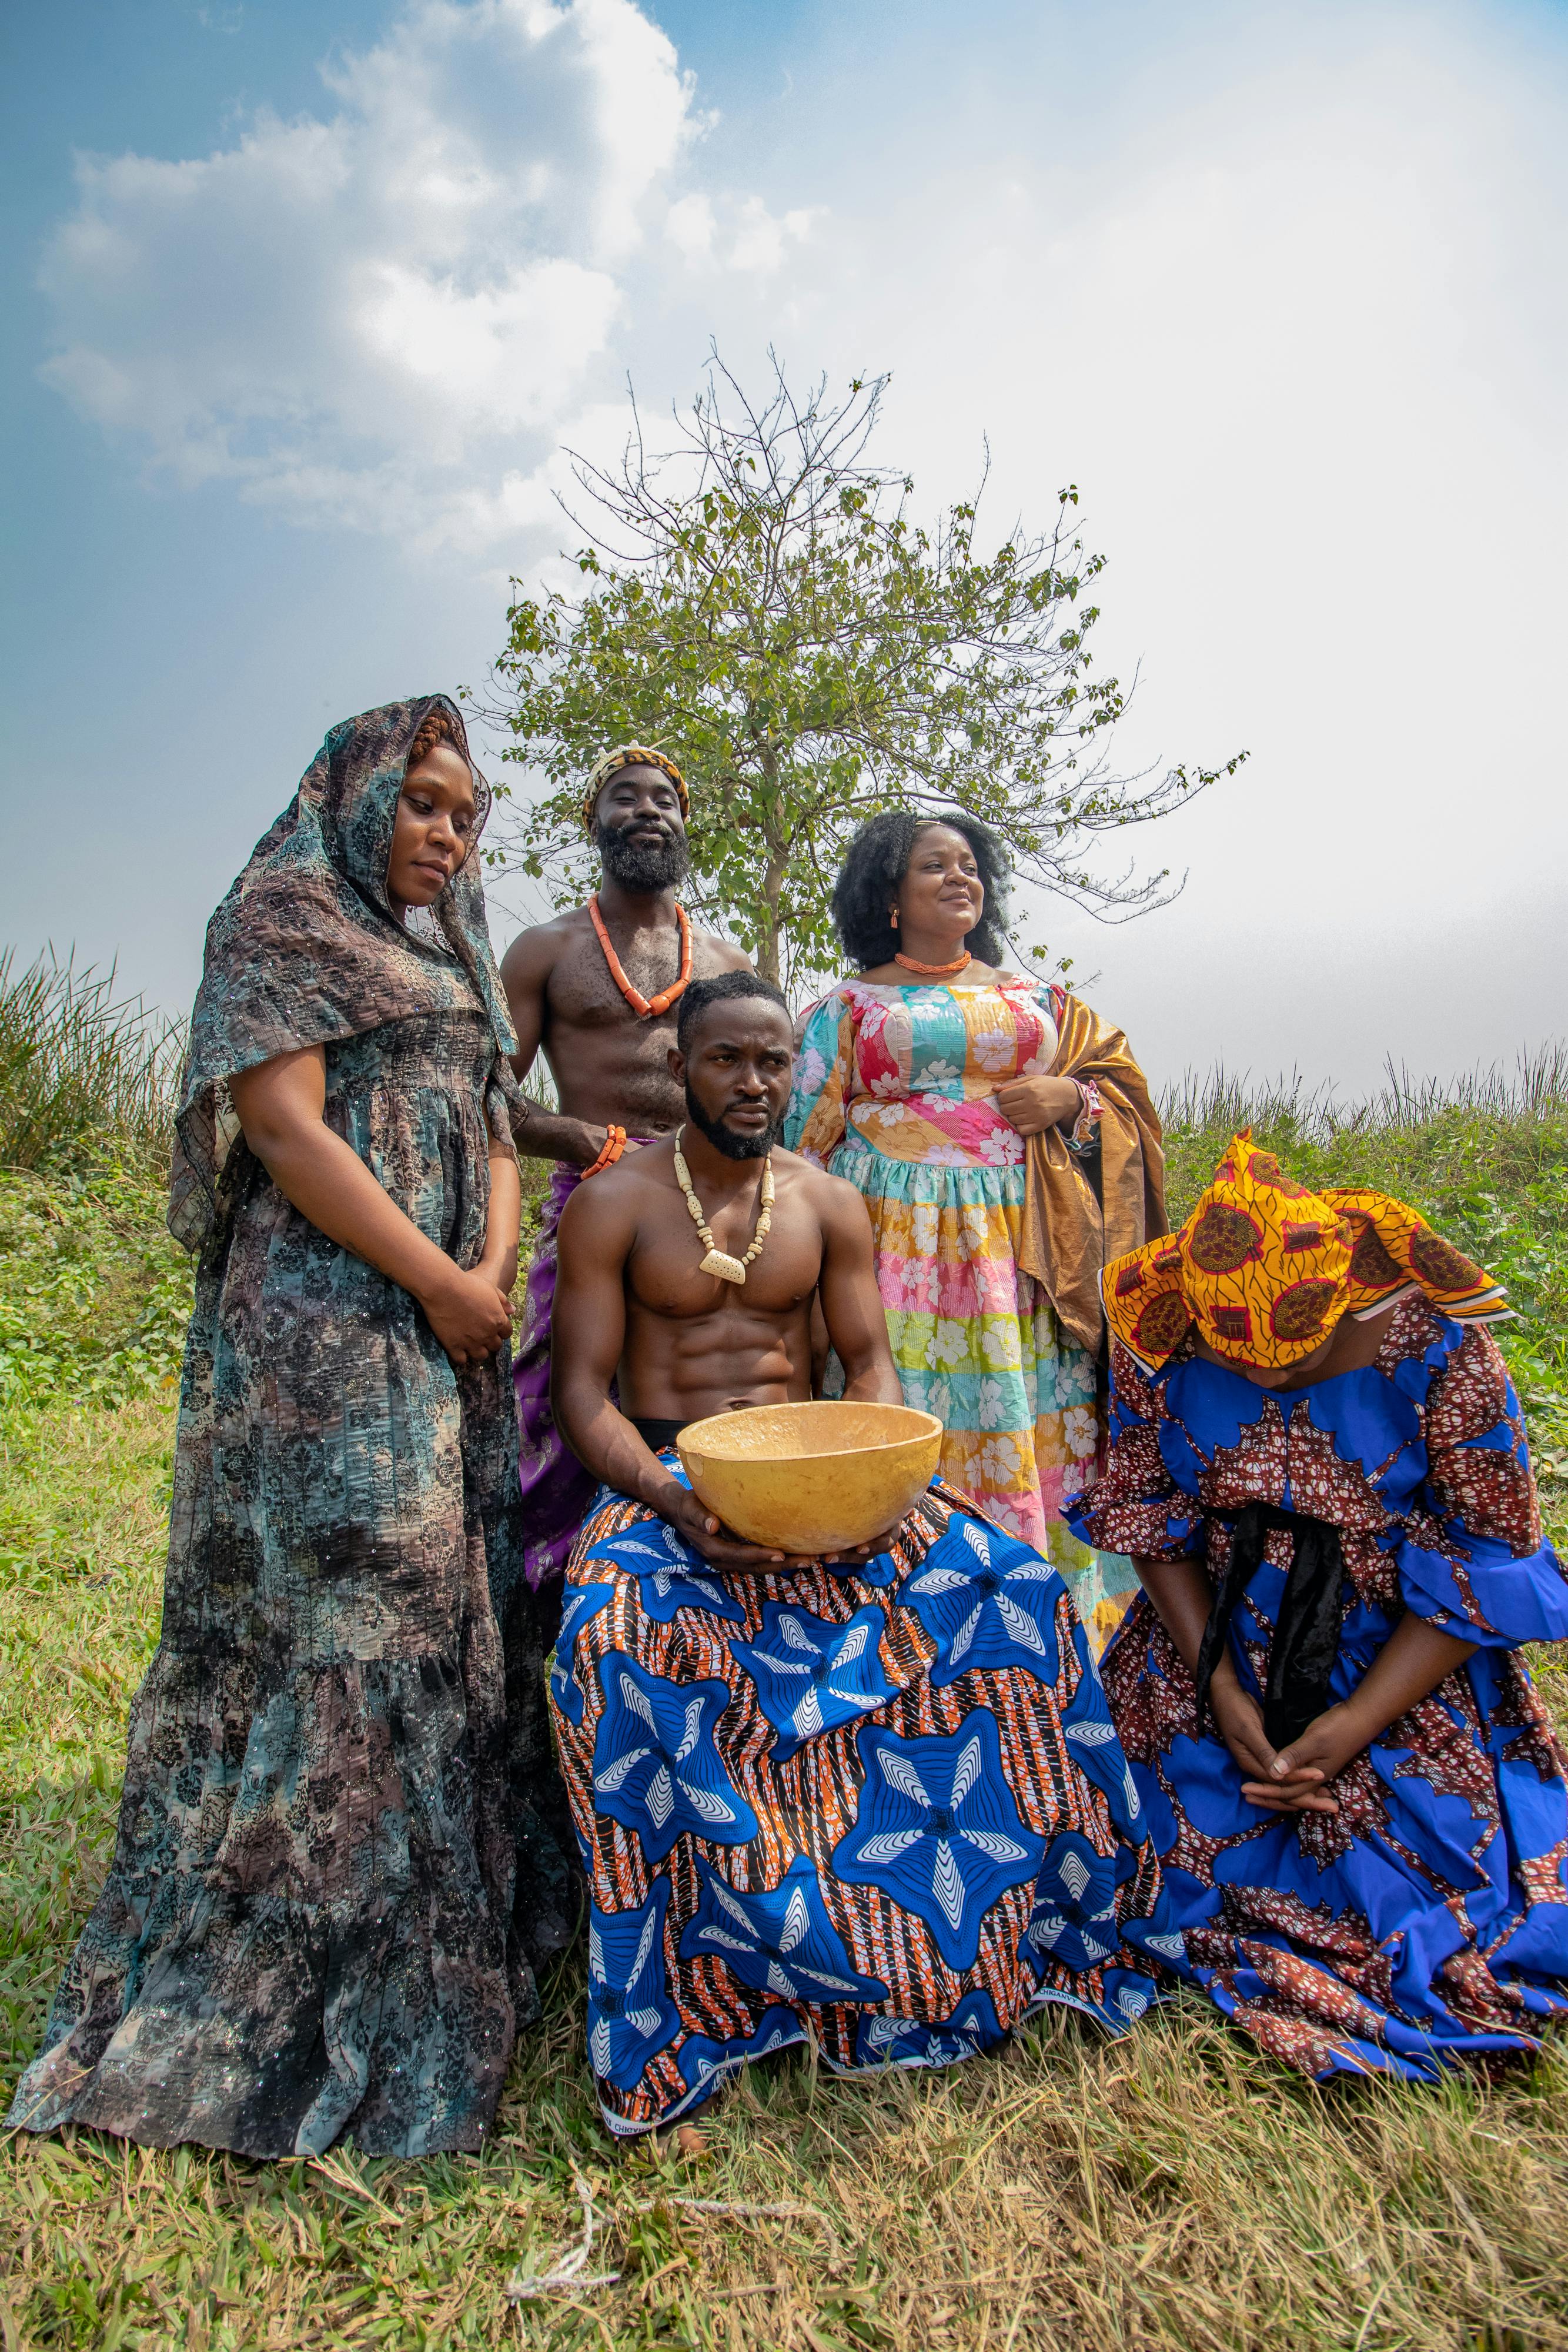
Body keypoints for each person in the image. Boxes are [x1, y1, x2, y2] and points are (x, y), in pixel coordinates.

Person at [7, 696, 566, 2159]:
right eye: (425, 802)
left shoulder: (447, 946)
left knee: (443, 1595)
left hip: (449, 1313)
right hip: (326, 1320)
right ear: (360, 789)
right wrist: (439, 1276)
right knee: (358, 1596)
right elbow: (284, 1126)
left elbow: (499, 1121)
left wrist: (488, 1268)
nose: (447, 832)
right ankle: (302, 1962)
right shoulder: (279, 912)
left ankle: (432, 1943)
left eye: (466, 811)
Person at [546, 971, 1175, 2142]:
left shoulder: (828, 1199)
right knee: (611, 1638)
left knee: (1010, 1590)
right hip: (673, 1482)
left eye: (773, 1061)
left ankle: (1010, 1924)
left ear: (797, 1069)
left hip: (829, 1473)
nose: (753, 1081)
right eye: (727, 1058)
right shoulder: (615, 1203)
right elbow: (585, 1398)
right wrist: (670, 1502)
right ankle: (708, 1965)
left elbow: (867, 1360)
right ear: (680, 1066)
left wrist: (871, 1470)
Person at [1067, 1128, 1568, 2082]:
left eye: (1294, 1365)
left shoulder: (1438, 1343)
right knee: (1122, 1857)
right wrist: (1217, 1686)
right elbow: (1151, 1520)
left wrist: (1351, 1725)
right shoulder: (1157, 1327)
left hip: (1401, 1646)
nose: (1261, 1381)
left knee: (1429, 1882)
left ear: (1353, 1303)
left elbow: (1486, 1559)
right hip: (1211, 1629)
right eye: (1236, 1363)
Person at [785, 811, 1165, 1655]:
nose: (960, 878)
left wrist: (1075, 1102)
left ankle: (1048, 1633)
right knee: (910, 1415)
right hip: (894, 1248)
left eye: (969, 865)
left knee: (1030, 1414)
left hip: (1030, 1248)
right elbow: (798, 1142)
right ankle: (905, 1635)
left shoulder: (1041, 1002)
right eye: (933, 866)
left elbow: (1125, 1095)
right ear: (888, 895)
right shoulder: (847, 1009)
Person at [499, 747, 751, 1594]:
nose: (648, 811)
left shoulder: (723, 960)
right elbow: (480, 1096)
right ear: (594, 821)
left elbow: (761, 1087)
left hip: (707, 1206)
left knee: (705, 1394)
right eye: (625, 798)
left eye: (665, 801)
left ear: (685, 826)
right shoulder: (546, 950)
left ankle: (693, 1594)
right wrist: (581, 1142)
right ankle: (546, 1600)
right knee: (556, 1392)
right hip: (594, 1199)